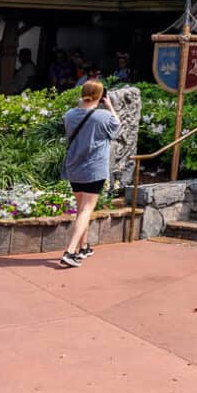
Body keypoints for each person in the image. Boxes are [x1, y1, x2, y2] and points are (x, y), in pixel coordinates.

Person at [58, 79, 117, 268]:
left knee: (81, 208)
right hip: (94, 168)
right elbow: (117, 126)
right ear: (100, 96)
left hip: (74, 167)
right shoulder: (103, 116)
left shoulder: (69, 114)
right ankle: (70, 251)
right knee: (86, 210)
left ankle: (83, 247)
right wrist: (109, 106)